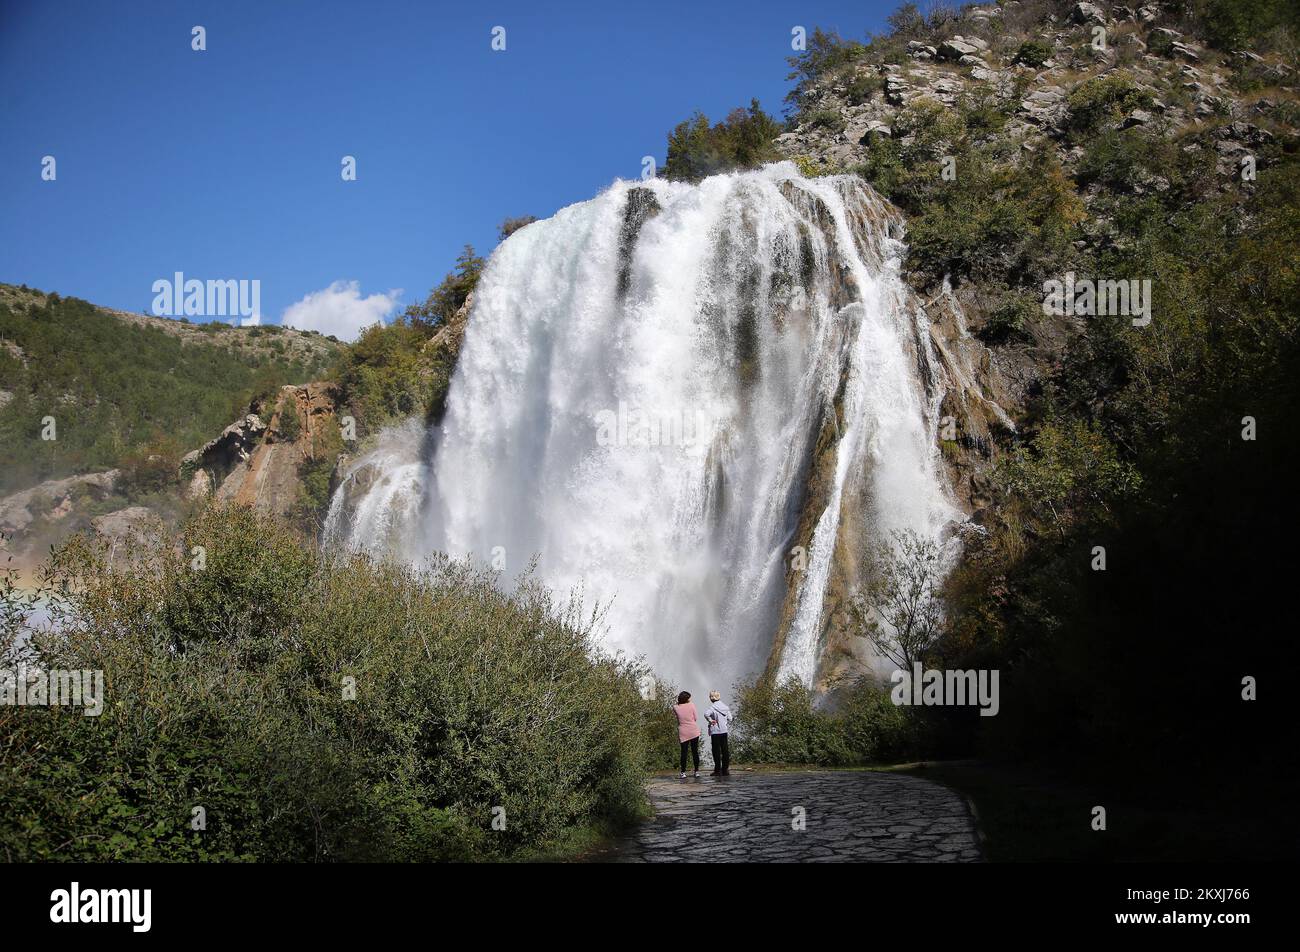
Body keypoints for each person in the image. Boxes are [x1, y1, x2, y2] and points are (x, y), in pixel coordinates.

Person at [674, 691, 701, 779]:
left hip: (683, 732)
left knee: (684, 753)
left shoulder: (675, 707)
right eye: (689, 697)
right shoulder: (692, 705)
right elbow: (696, 718)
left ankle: (683, 773)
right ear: (686, 699)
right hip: (693, 730)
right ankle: (696, 771)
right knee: (695, 751)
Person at [705, 690, 732, 776]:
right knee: (725, 750)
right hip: (724, 731)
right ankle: (725, 769)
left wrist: (710, 720)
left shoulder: (712, 707)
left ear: (712, 698)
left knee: (716, 751)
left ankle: (717, 770)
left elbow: (706, 714)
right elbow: (730, 718)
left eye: (710, 697)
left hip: (715, 732)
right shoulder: (725, 707)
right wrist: (724, 722)